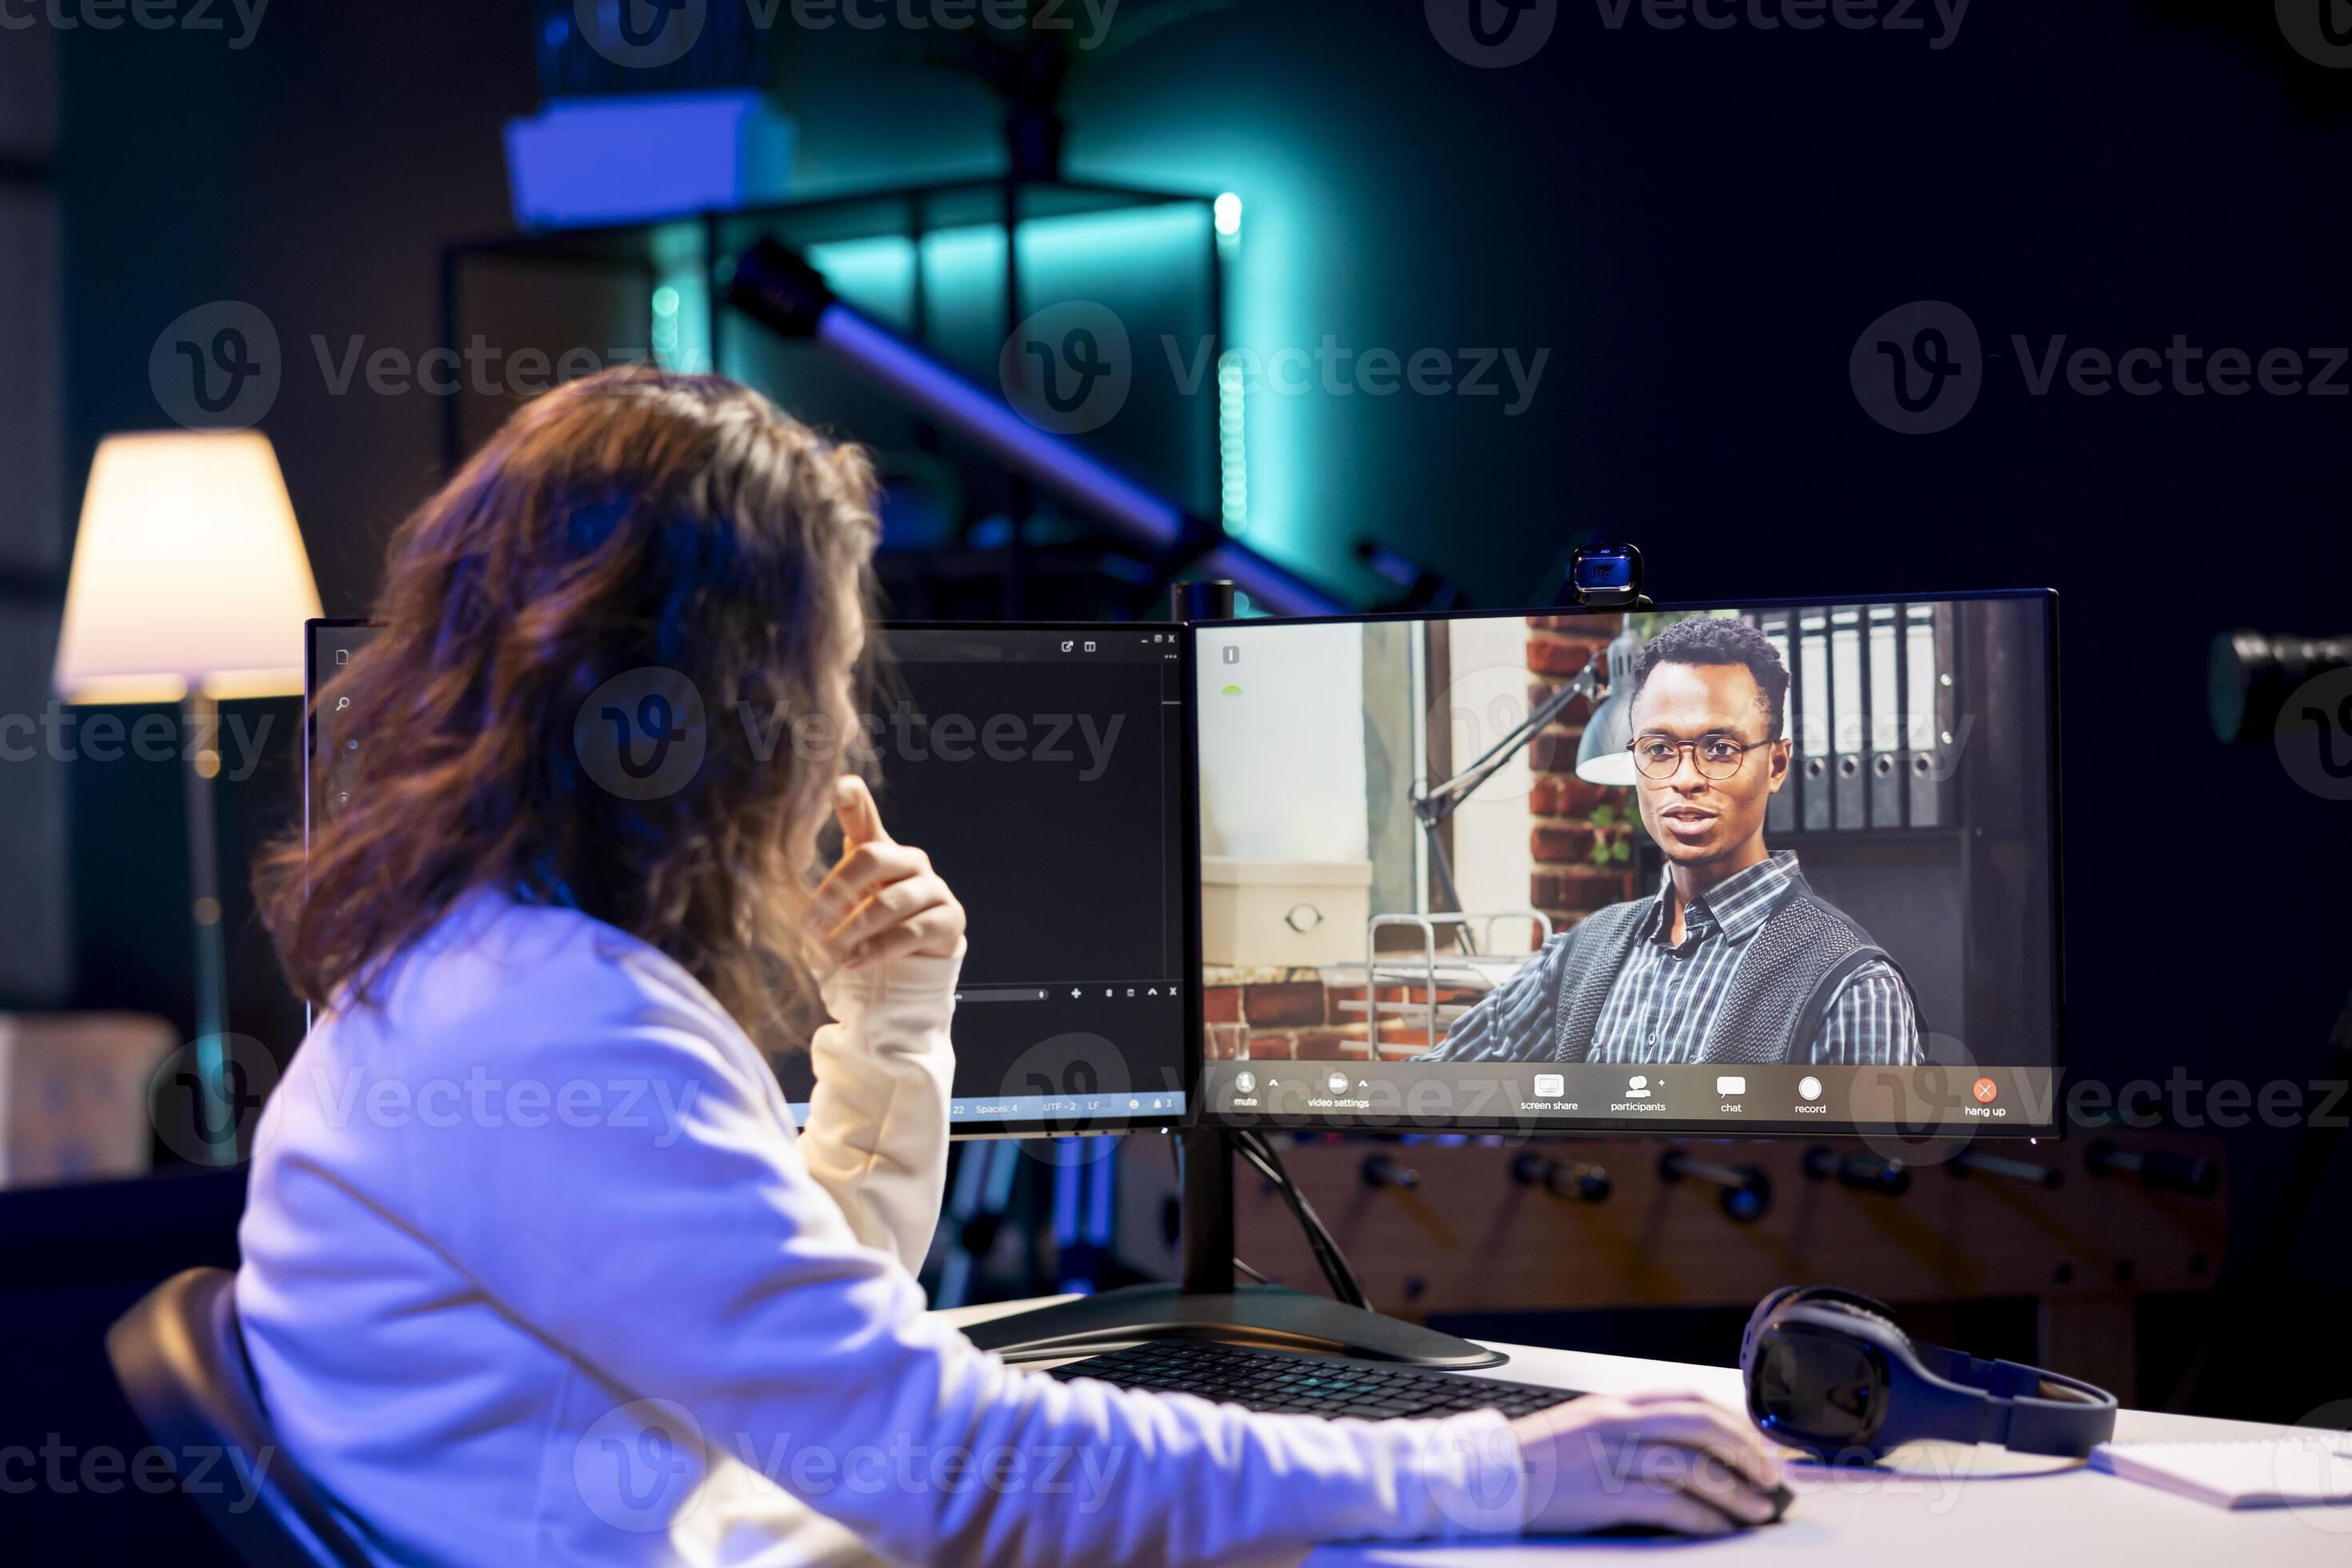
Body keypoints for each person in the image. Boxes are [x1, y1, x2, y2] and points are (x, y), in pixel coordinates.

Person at [240, 367, 1782, 1566]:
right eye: (818, 679)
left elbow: (799, 1348)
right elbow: (936, 1460)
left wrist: (890, 1036)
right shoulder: (553, 1026)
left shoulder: (472, 969)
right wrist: (1492, 1471)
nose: (836, 735)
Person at [1417, 616, 1922, 1067]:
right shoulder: (1584, 952)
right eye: (1659, 749)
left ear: (1776, 765)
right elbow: (1434, 1087)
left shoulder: (1853, 988)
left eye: (1719, 749)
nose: (1685, 778)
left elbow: (1888, 1168)